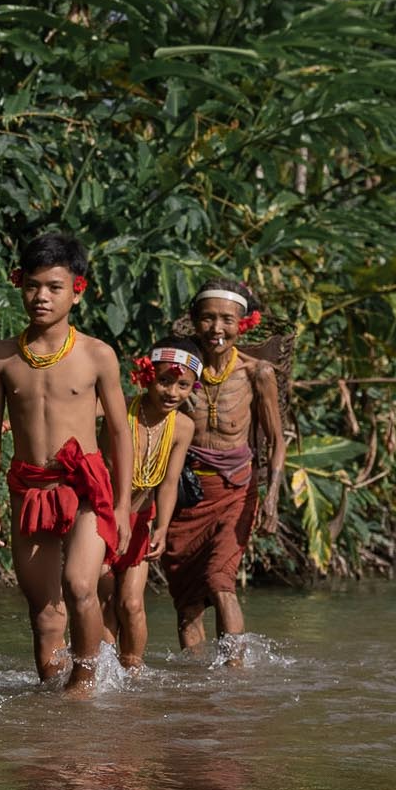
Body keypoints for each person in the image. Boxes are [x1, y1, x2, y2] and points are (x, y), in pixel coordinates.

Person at [0, 231, 133, 687]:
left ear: (76, 291)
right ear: (19, 284)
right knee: (44, 616)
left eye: (54, 287)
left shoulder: (97, 355)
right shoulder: (1, 357)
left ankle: (84, 689)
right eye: (32, 285)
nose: (41, 297)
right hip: (30, 488)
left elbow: (120, 432)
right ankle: (54, 706)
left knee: (82, 586)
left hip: (85, 487)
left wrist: (122, 506)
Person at [162, 277, 286, 654]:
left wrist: (272, 498)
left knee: (220, 580)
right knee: (187, 603)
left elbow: (277, 441)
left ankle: (235, 680)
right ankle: (199, 692)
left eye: (227, 321)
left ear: (242, 324)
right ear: (195, 320)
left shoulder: (257, 375)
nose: (217, 329)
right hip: (185, 497)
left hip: (236, 491)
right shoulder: (178, 376)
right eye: (209, 319)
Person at [98, 336, 199, 669]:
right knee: (105, 597)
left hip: (142, 517)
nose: (172, 392)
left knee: (131, 603)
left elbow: (169, 482)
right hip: (102, 517)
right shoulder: (118, 408)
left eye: (183, 385)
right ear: (146, 377)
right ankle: (104, 670)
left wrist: (163, 527)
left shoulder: (183, 426)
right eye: (165, 381)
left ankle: (133, 670)